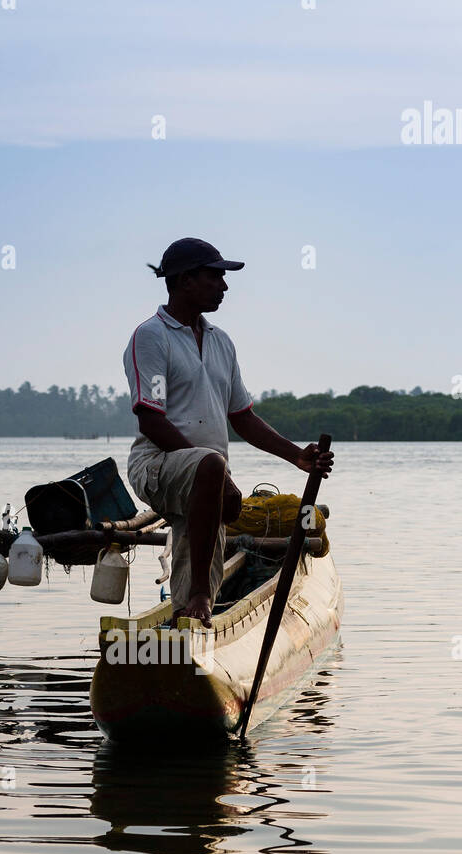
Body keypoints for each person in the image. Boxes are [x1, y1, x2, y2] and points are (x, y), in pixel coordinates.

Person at [123, 237, 333, 628]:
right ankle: (201, 595)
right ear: (185, 281)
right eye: (215, 277)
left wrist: (295, 456)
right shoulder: (152, 336)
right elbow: (151, 419)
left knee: (199, 558)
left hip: (206, 477)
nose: (225, 286)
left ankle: (189, 618)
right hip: (156, 465)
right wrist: (217, 476)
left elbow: (242, 417)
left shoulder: (221, 342)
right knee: (210, 467)